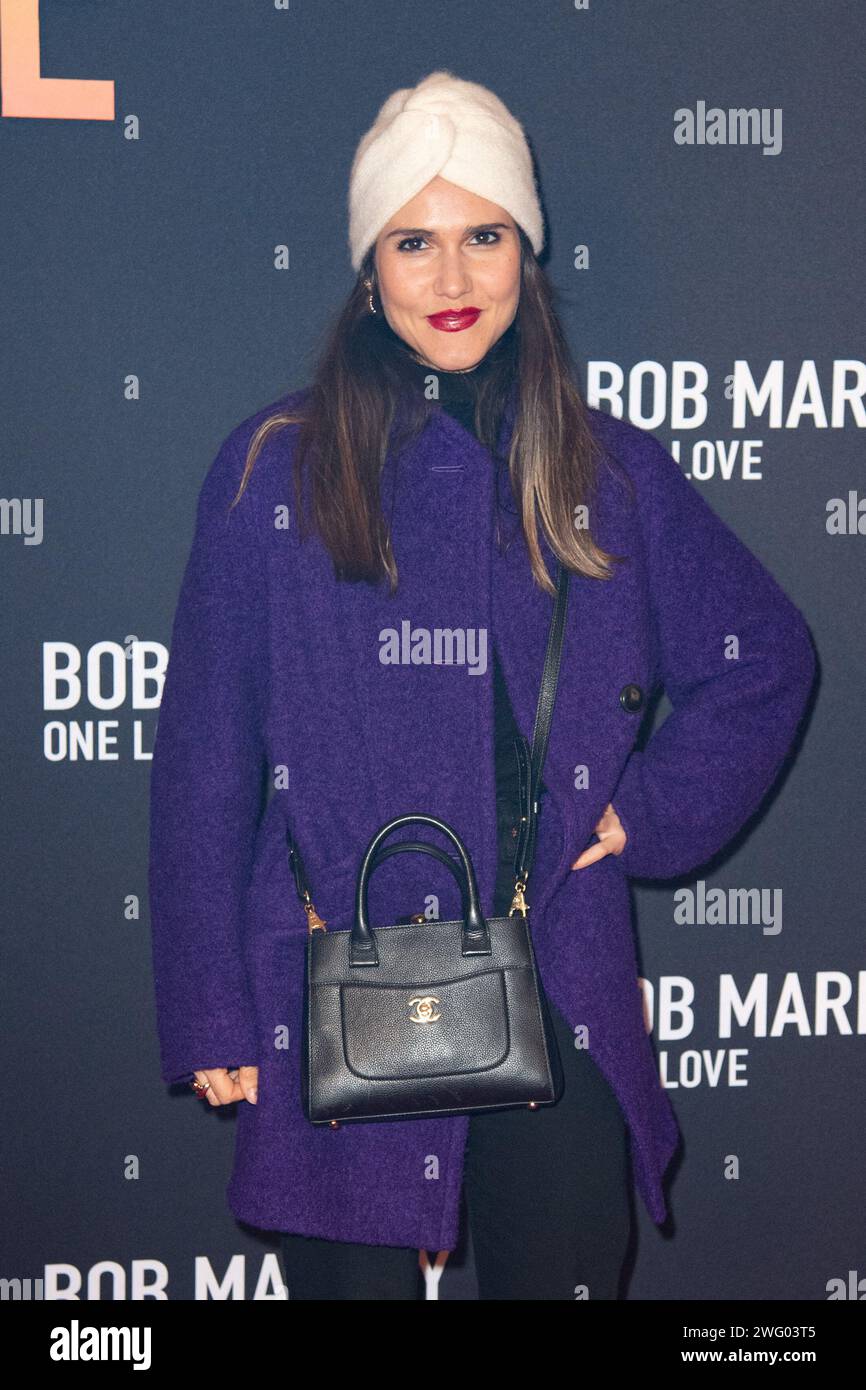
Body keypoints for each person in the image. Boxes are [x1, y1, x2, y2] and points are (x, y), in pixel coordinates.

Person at [148, 70, 816, 1300]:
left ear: (526, 251)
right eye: (414, 241)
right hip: (331, 975)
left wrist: (641, 814)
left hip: (553, 980)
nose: (451, 282)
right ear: (367, 266)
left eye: (481, 237)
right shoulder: (270, 471)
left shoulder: (603, 468)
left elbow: (760, 659)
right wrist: (209, 1010)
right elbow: (203, 756)